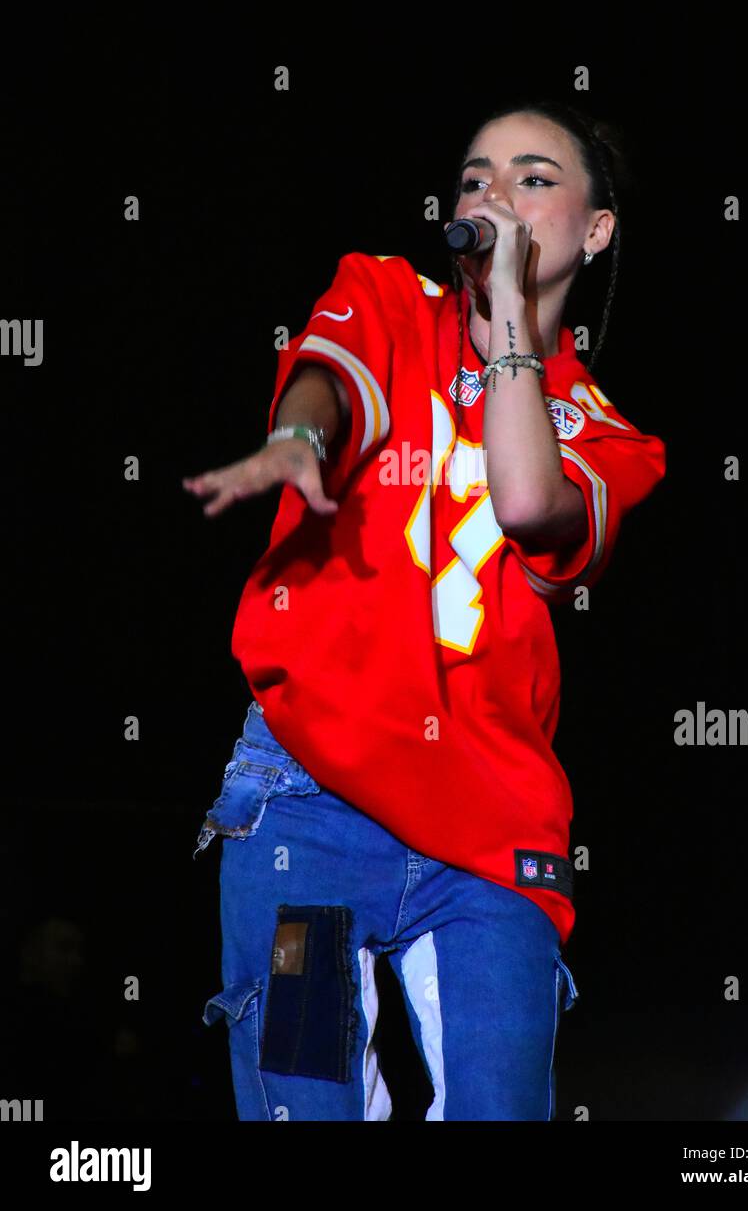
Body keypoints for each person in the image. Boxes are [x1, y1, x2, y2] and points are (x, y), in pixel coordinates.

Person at [182, 98, 666, 1121]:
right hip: (305, 801)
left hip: (490, 834)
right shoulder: (386, 296)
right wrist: (302, 440)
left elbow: (530, 504)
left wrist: (504, 325)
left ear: (595, 228)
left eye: (532, 177)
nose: (492, 192)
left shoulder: (614, 438)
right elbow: (325, 380)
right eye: (474, 175)